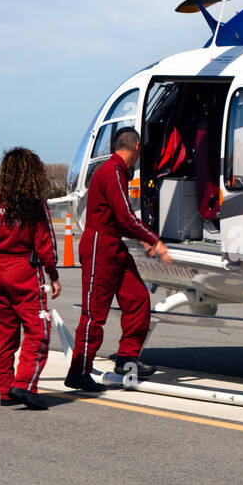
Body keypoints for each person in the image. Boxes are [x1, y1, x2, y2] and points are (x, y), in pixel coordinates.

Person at [65, 127, 172, 391]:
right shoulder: (112, 173)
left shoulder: (117, 173)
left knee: (137, 298)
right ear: (136, 148)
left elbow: (120, 220)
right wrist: (154, 239)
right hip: (100, 248)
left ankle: (127, 358)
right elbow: (124, 215)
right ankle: (78, 372)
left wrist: (144, 238)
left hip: (114, 247)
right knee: (94, 315)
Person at [0, 148, 62, 409]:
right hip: (25, 272)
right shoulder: (35, 205)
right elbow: (46, 243)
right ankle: (24, 385)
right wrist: (53, 275)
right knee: (38, 331)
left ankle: (4, 389)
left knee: (3, 335)